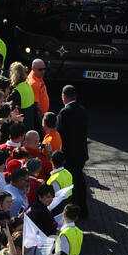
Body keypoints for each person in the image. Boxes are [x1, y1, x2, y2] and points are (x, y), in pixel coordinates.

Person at [56, 85, 90, 219]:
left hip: (69, 155)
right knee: (79, 180)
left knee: (73, 184)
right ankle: (82, 210)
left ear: (64, 96)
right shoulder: (83, 111)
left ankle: (75, 211)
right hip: (81, 153)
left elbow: (61, 135)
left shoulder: (64, 113)